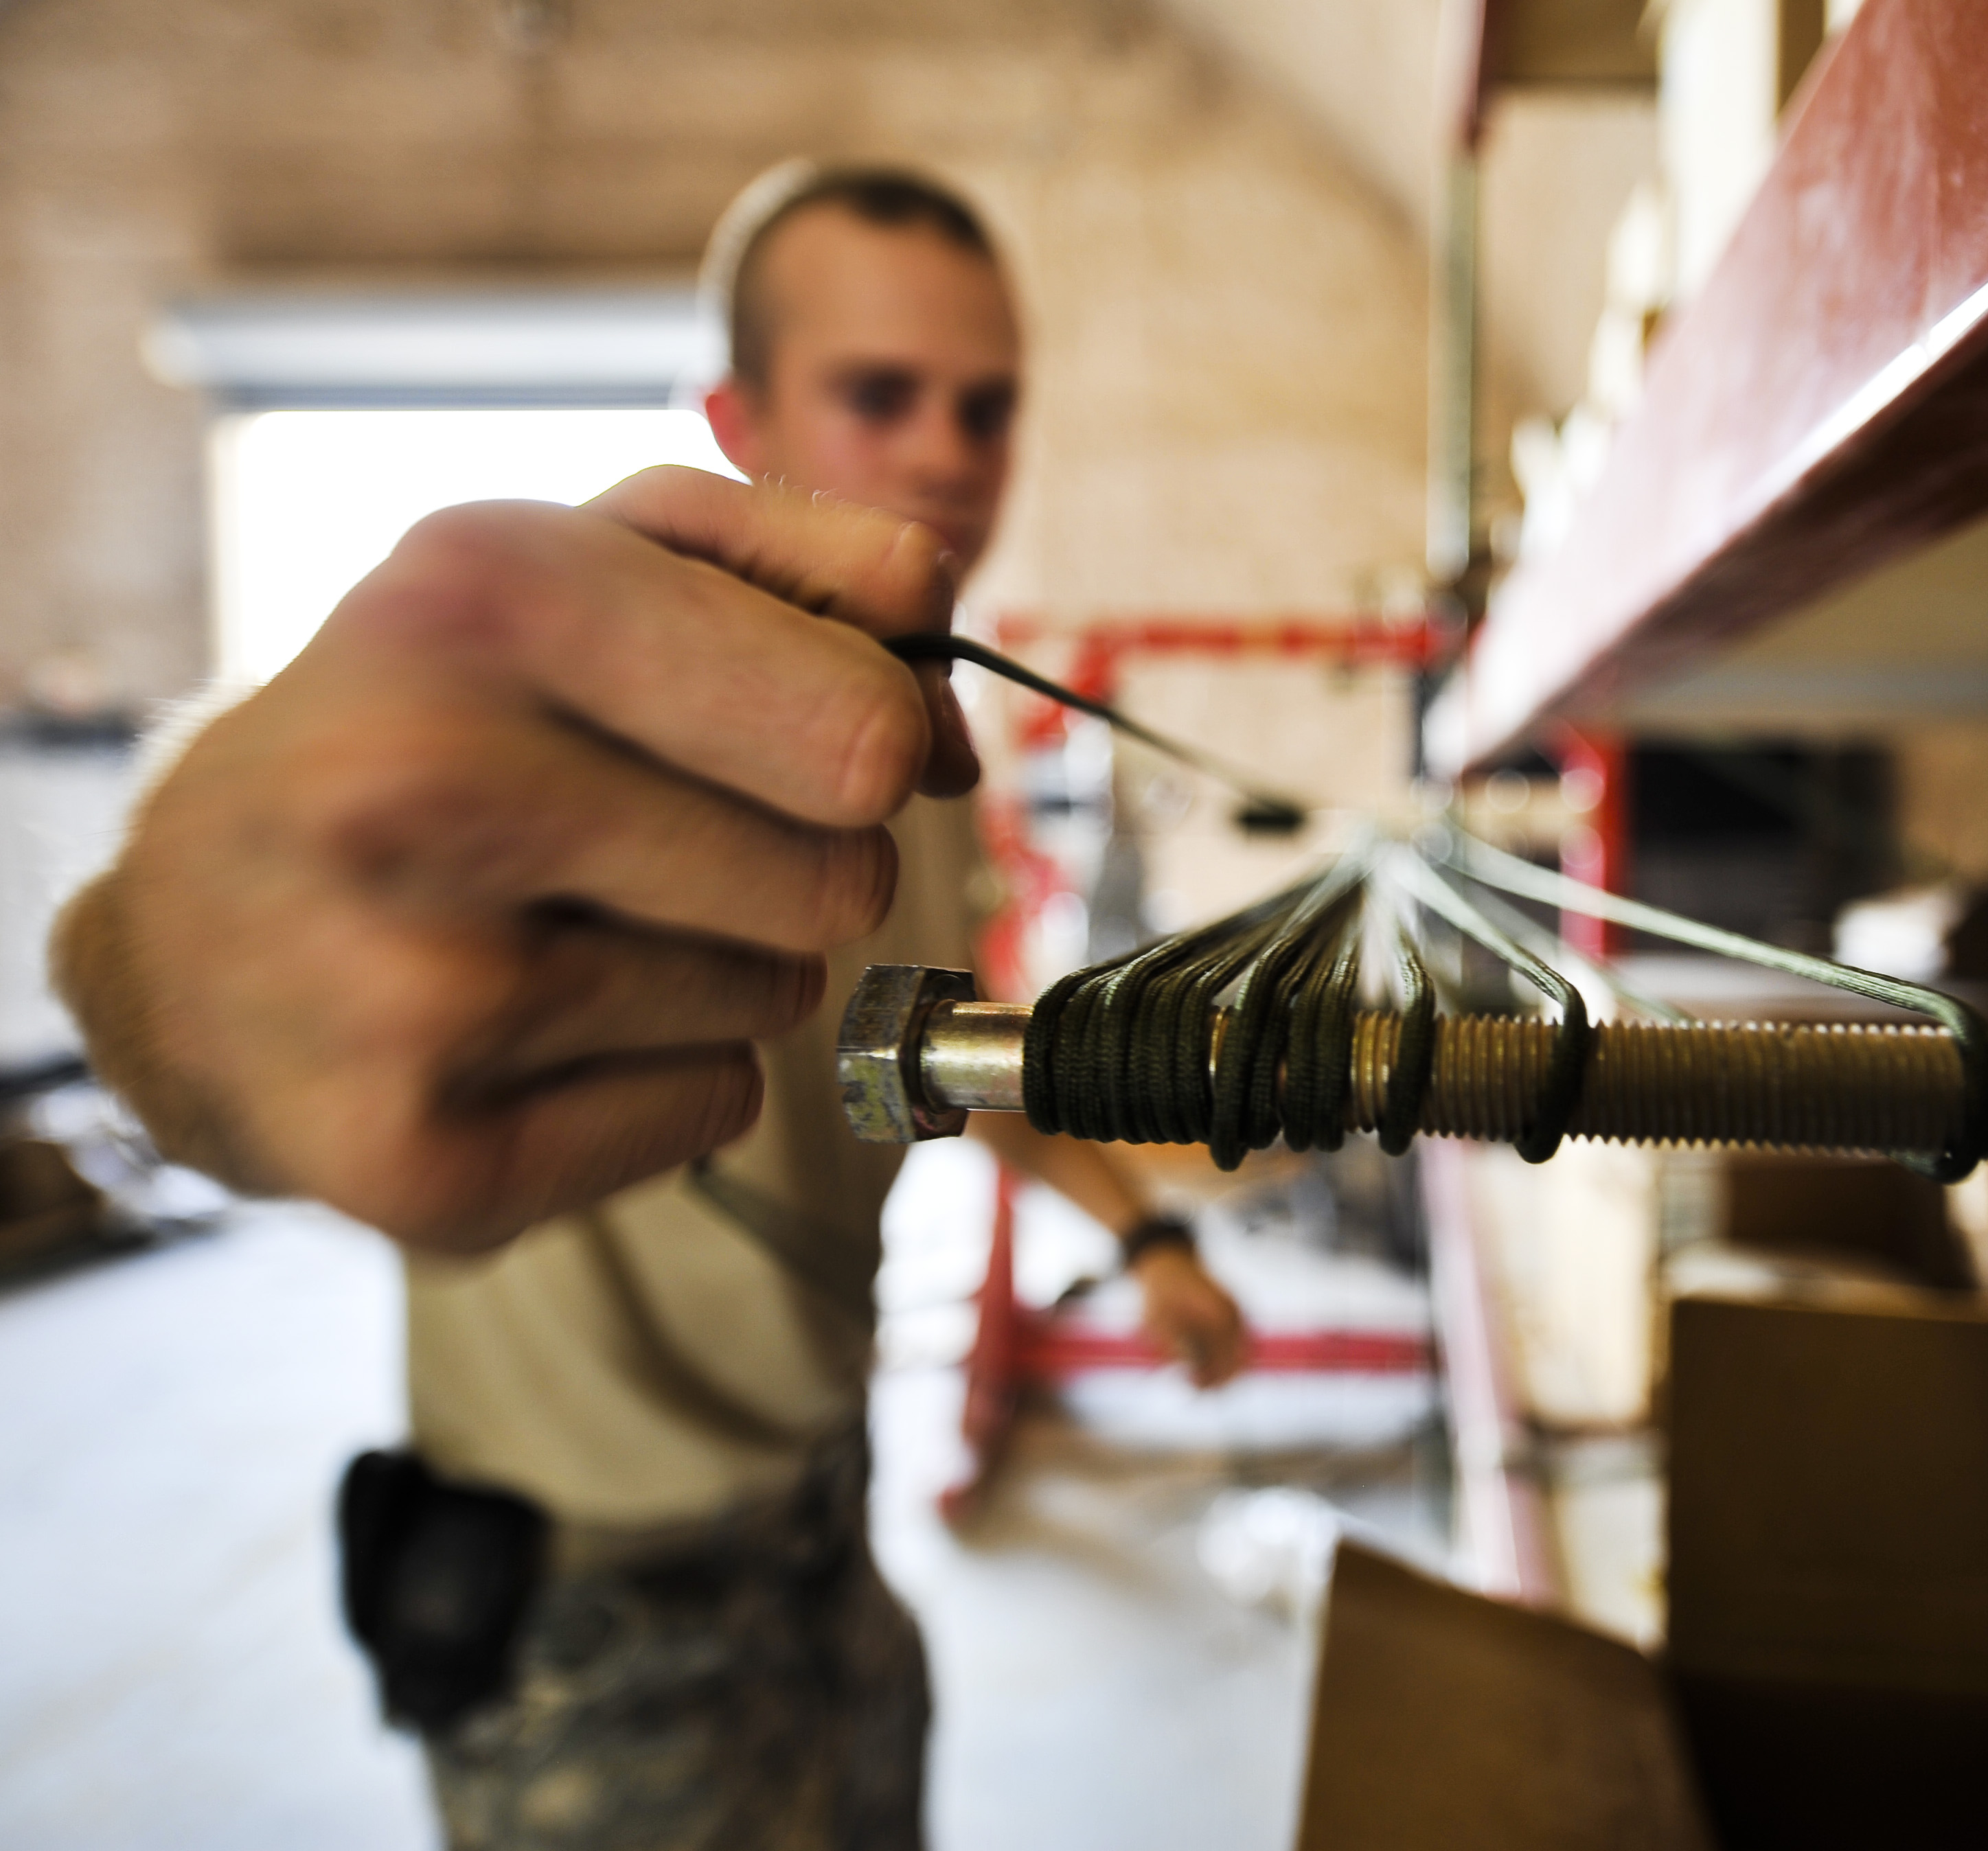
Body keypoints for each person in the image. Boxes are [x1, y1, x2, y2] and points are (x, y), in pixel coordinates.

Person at [52, 163, 1246, 1849]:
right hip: (587, 1606)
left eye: (987, 406)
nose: (945, 454)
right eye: (880, 393)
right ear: (735, 415)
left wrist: (1147, 1239)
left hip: (829, 1528)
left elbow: (961, 1050)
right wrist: (181, 968)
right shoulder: (603, 737)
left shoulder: (922, 761)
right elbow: (199, 974)